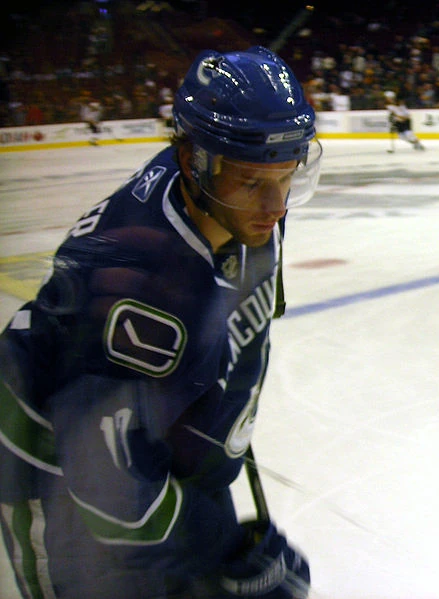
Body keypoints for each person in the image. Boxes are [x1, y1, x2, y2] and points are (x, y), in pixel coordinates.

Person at [0, 46, 322, 599]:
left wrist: (216, 478)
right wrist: (216, 547)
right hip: (54, 466)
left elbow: (221, 358)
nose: (275, 207)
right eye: (252, 182)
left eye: (286, 176)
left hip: (144, 443)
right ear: (192, 161)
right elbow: (109, 489)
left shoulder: (238, 204)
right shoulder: (140, 285)